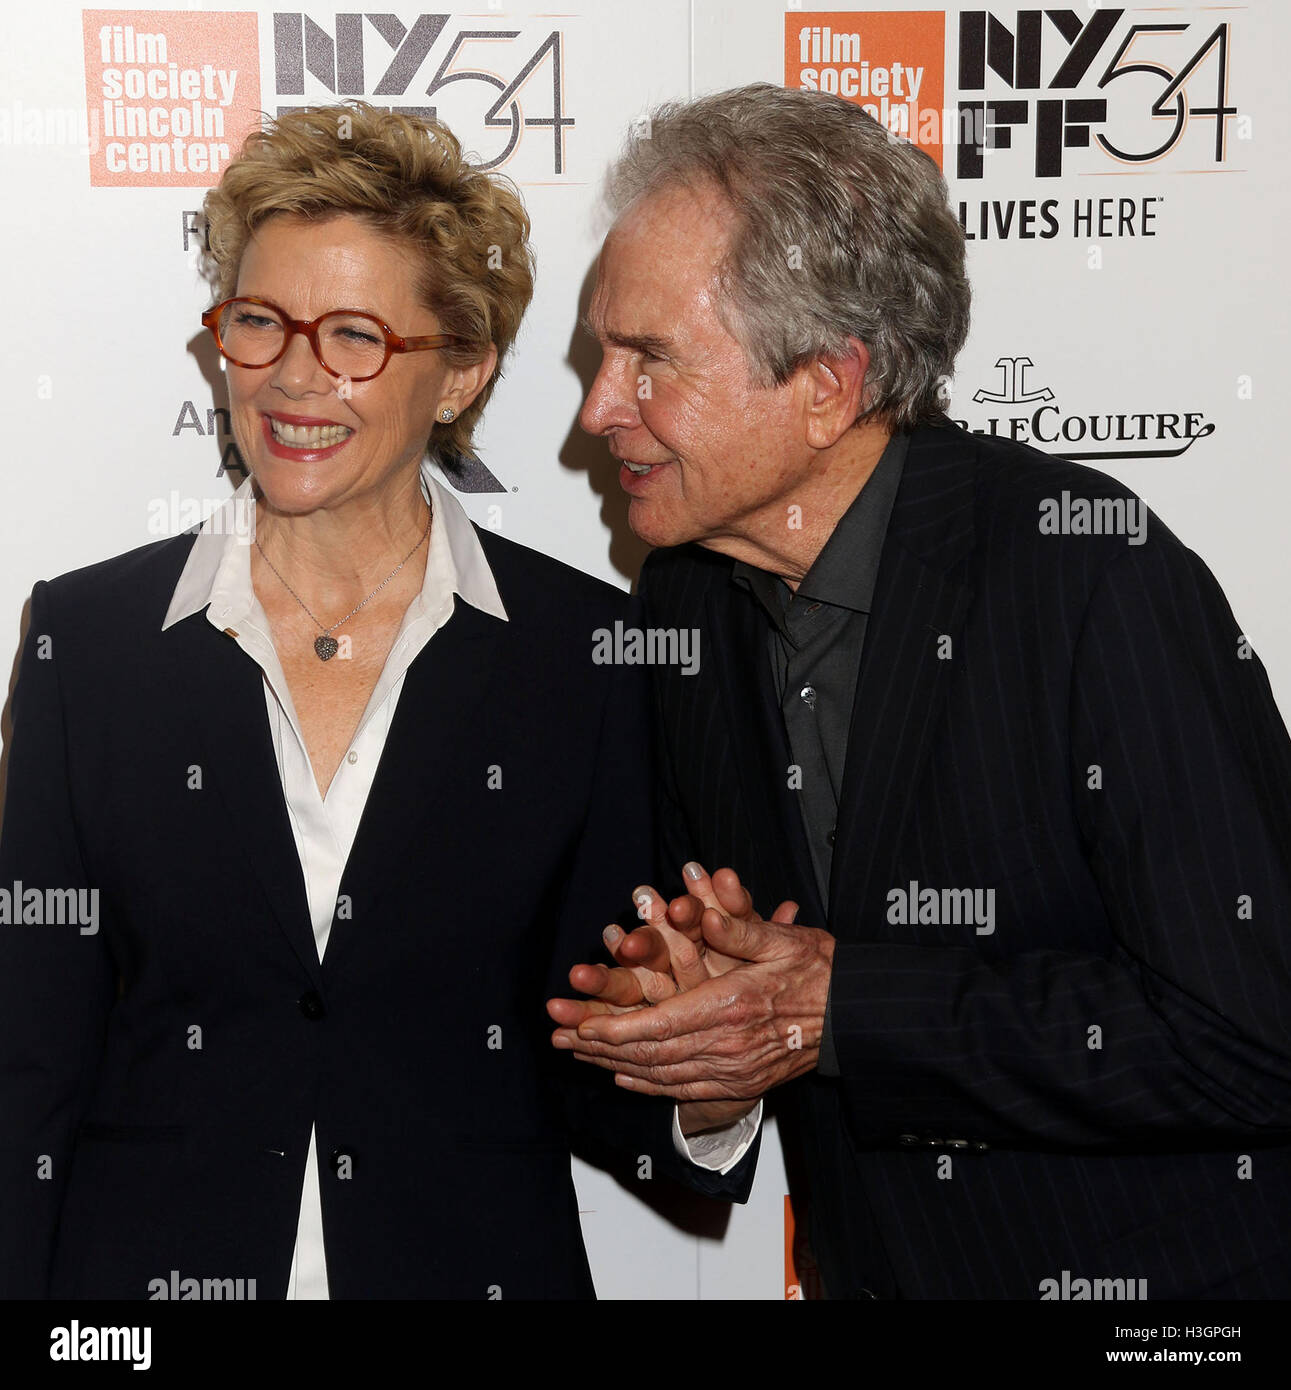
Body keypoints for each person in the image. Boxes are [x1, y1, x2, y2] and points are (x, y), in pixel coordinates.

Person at [0, 101, 755, 1301]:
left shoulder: (588, 655)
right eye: (259, 322)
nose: (294, 378)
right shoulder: (86, 642)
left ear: (461, 373)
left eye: (355, 336)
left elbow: (596, 1039)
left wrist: (705, 1089)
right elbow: (29, 1057)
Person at [552, 82, 1291, 1299]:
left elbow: (1254, 1028)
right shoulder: (680, 608)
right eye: (601, 353)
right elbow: (726, 999)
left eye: (650, 361)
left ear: (829, 386)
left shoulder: (1087, 576)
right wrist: (710, 1060)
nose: (596, 411)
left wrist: (843, 1007)